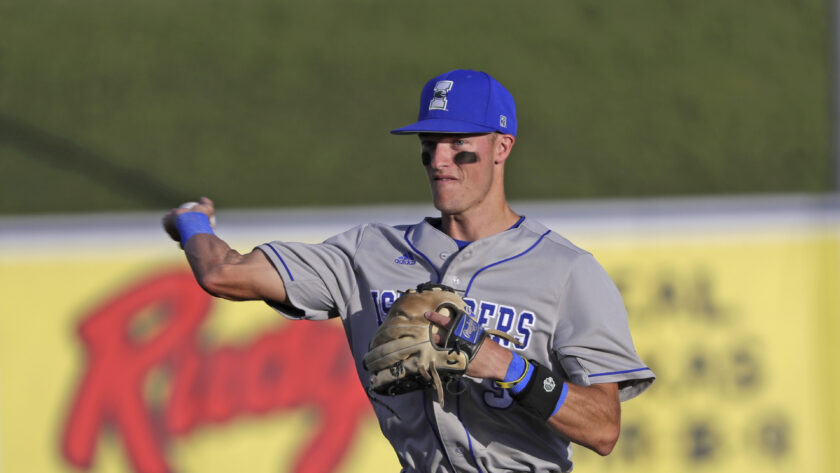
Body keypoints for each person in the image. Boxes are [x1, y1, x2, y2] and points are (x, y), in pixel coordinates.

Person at [163, 69, 655, 472]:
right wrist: (190, 222)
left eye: (458, 141)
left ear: (502, 147)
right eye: (429, 141)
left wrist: (503, 364)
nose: (440, 159)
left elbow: (602, 428)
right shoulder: (367, 253)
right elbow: (222, 274)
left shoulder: (566, 272)